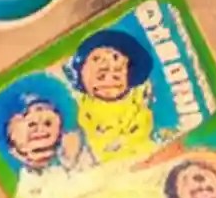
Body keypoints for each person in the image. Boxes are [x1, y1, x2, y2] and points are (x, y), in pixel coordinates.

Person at [0, 73, 97, 198]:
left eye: (47, 121)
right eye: (27, 120)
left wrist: (74, 154)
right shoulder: (27, 188)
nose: (39, 125)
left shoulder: (80, 152)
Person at [63, 29, 156, 162]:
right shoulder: (78, 102)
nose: (107, 81)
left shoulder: (138, 100)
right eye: (101, 76)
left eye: (116, 74)